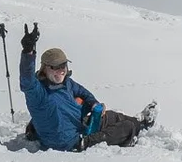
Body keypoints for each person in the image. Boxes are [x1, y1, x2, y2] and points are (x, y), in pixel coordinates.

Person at [18, 23, 156, 151]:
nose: (60, 70)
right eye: (55, 67)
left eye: (63, 66)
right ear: (44, 69)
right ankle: (133, 133)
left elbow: (82, 92)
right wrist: (28, 52)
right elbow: (27, 81)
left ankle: (141, 123)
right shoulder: (38, 93)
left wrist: (93, 103)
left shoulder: (65, 83)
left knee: (112, 116)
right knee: (127, 128)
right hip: (73, 142)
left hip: (80, 125)